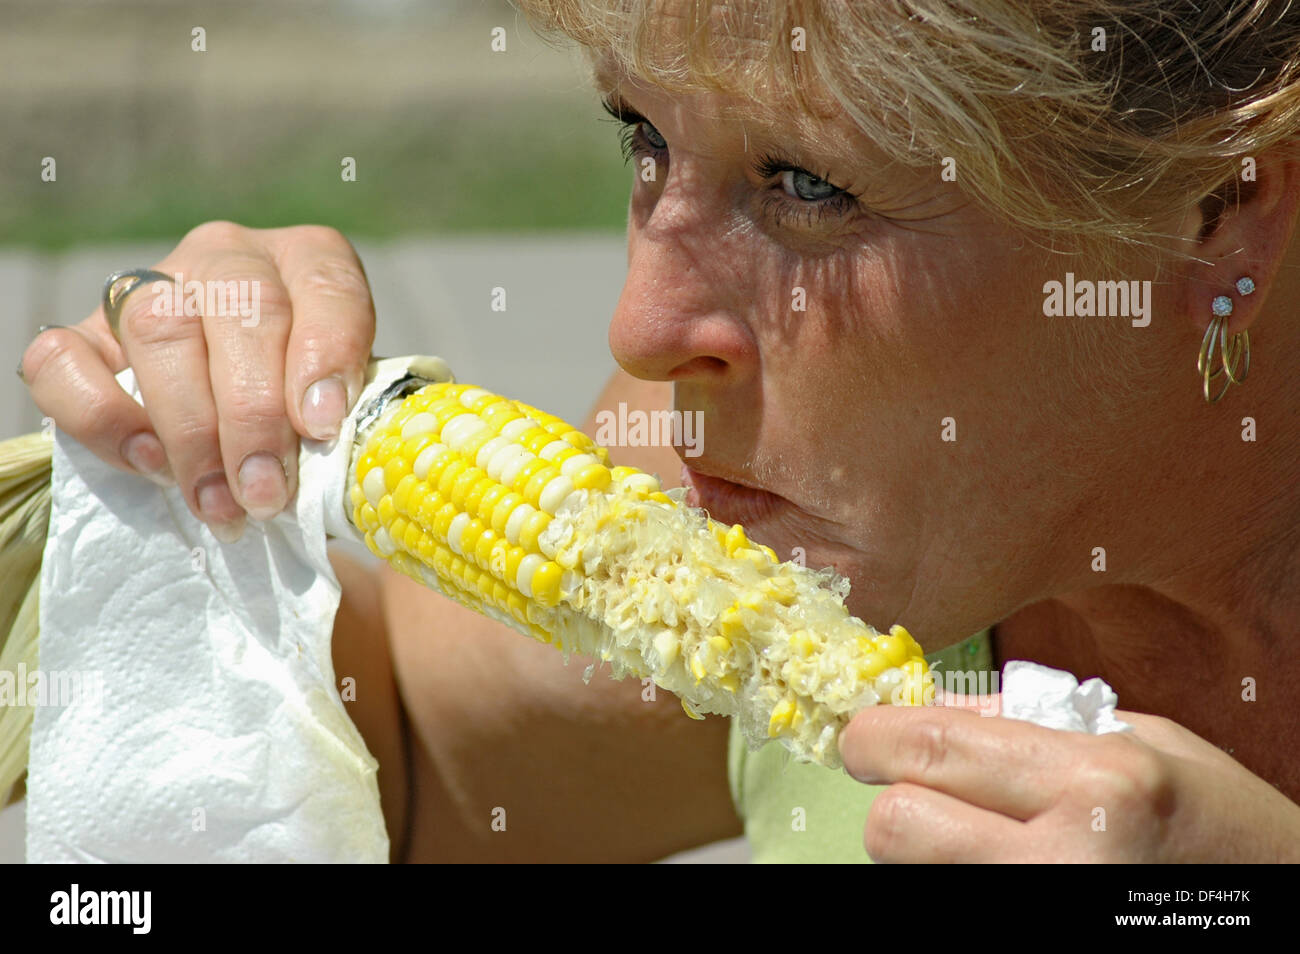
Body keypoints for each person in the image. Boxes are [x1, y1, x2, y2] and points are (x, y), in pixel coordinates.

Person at [19, 0, 1300, 862]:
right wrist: (164, 482)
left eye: (809, 185)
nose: (641, 325)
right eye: (641, 132)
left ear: (1220, 208)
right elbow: (397, 762)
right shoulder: (748, 489)